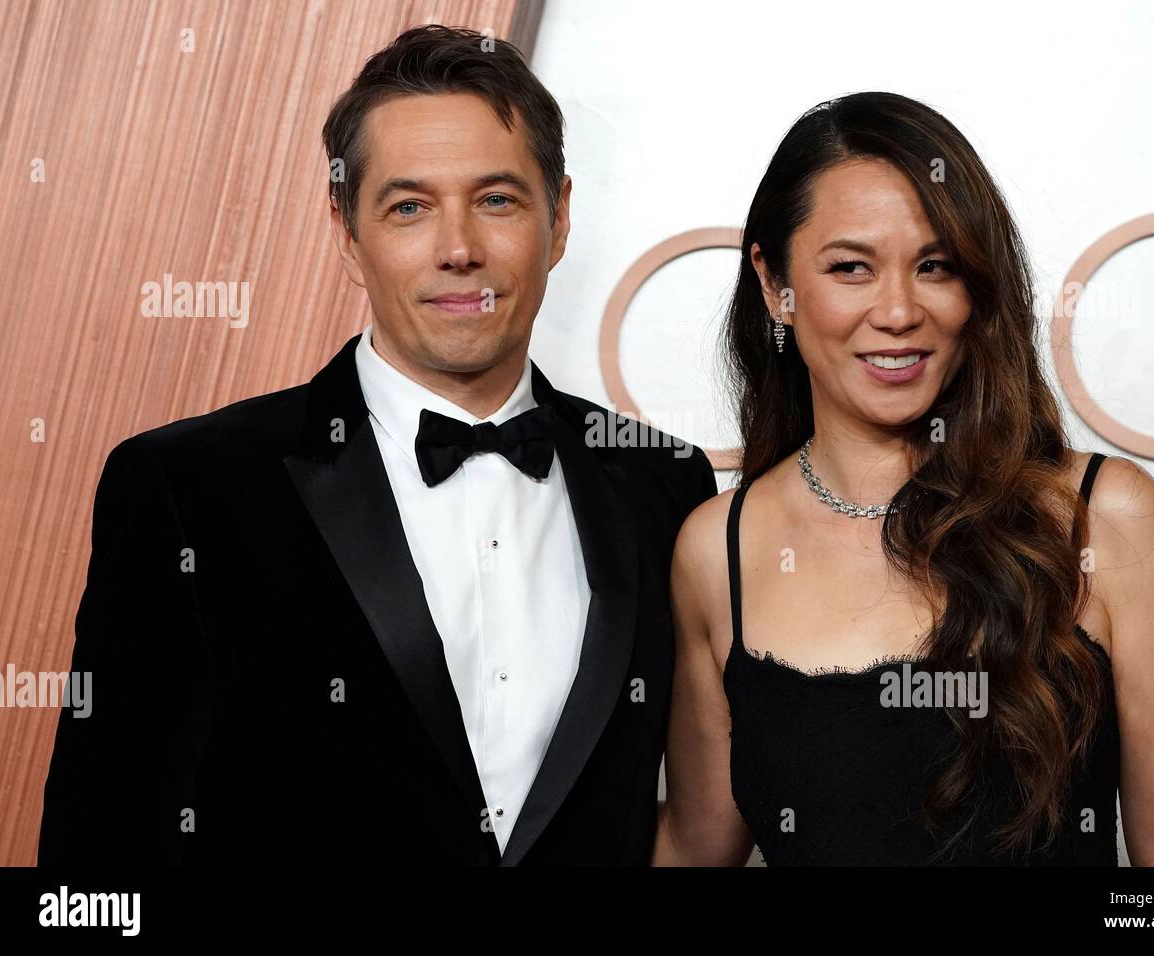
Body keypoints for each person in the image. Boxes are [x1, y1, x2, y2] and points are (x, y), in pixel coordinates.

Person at [38, 25, 714, 866]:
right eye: (409, 207)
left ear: (561, 217)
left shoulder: (666, 482)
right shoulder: (189, 487)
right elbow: (100, 840)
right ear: (347, 233)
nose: (458, 248)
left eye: (497, 200)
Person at [655, 92, 1154, 866]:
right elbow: (694, 850)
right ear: (774, 284)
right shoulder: (716, 548)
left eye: (936, 266)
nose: (898, 310)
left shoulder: (1105, 516)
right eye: (851, 268)